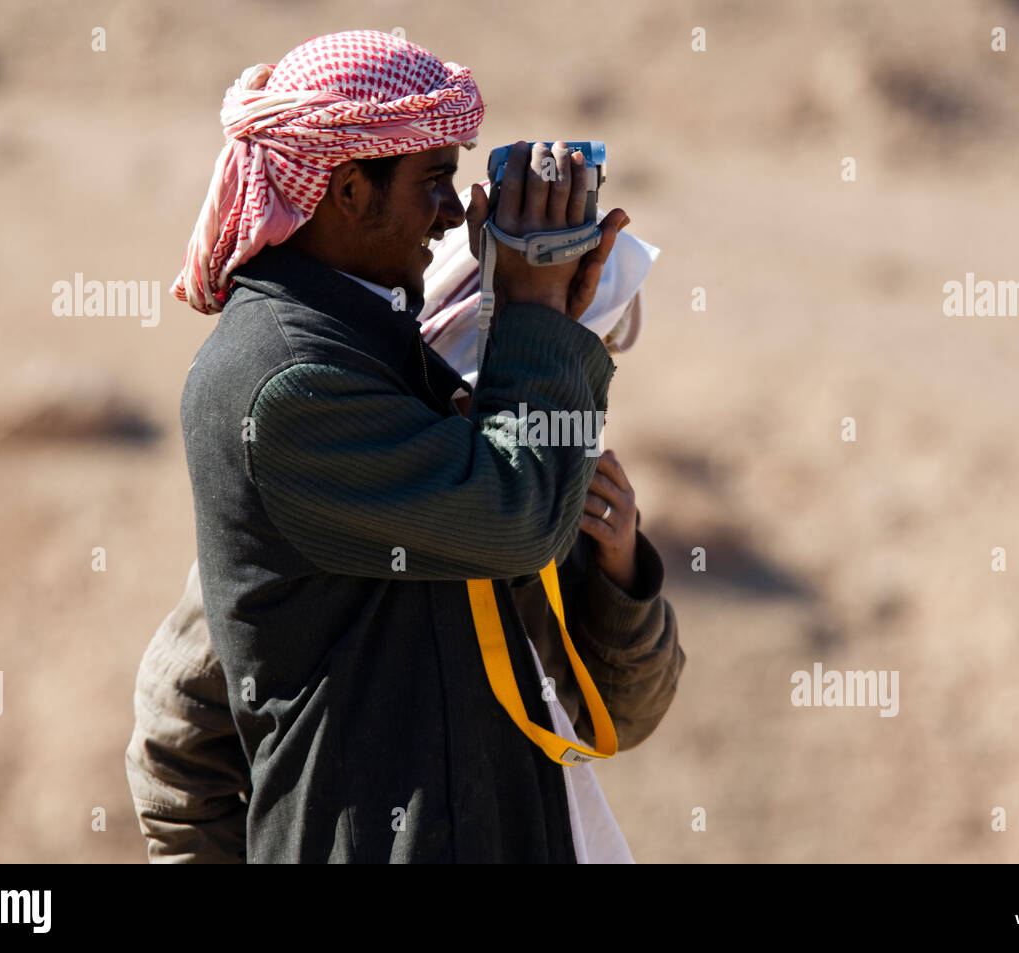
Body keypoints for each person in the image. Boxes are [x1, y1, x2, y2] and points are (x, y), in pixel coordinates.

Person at [129, 30, 684, 863]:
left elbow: (615, 708)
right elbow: (513, 515)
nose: (455, 215)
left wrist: (617, 573)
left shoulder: (397, 360)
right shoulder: (290, 384)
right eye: (433, 183)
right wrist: (529, 318)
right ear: (349, 190)